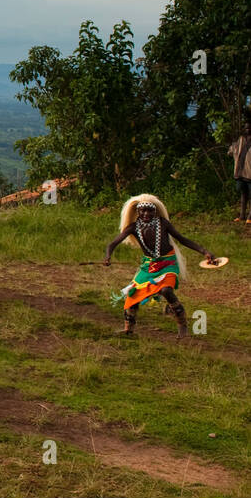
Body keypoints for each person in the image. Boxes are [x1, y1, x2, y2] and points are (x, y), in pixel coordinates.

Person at [103, 195, 217, 338]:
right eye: (142, 211)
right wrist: (108, 256)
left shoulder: (163, 223)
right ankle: (128, 330)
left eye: (149, 211)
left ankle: (182, 324)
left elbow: (182, 239)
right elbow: (112, 244)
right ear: (138, 211)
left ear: (155, 212)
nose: (146, 214)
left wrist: (204, 251)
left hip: (168, 262)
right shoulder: (132, 228)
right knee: (133, 295)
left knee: (166, 290)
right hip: (149, 266)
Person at [230, 120, 251, 224]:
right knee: (243, 194)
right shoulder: (240, 140)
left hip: (250, 173)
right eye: (246, 128)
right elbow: (231, 151)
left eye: (249, 127)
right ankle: (242, 216)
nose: (247, 129)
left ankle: (249, 217)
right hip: (240, 173)